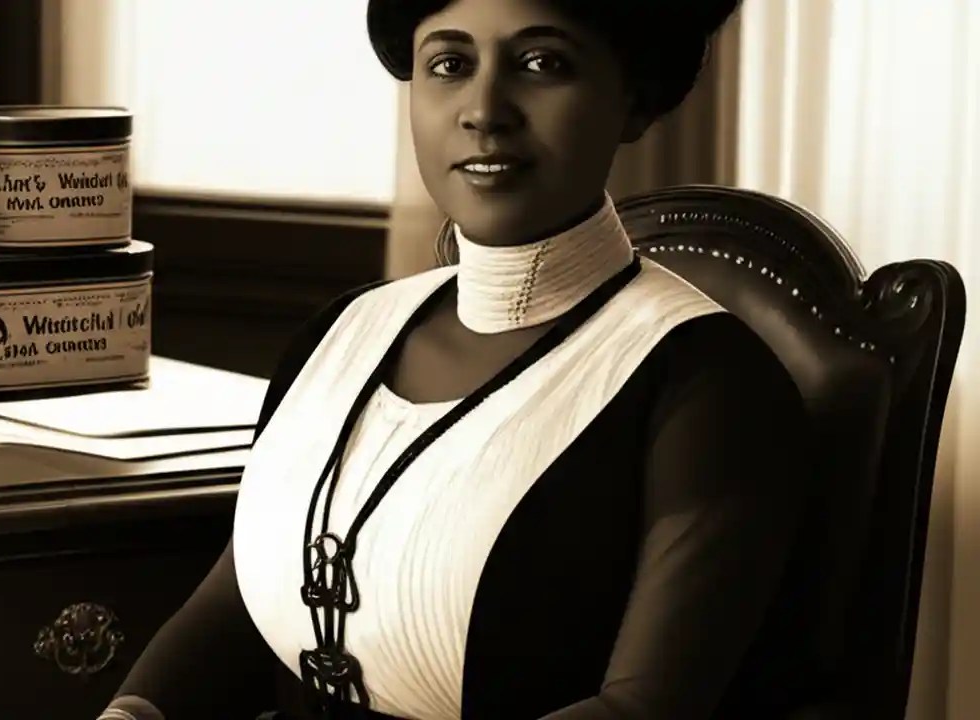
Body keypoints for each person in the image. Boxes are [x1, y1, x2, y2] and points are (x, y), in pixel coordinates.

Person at [99, 0, 822, 718]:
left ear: (632, 102)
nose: (485, 110)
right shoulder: (343, 332)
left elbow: (646, 708)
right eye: (449, 64)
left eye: (543, 64)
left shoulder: (709, 385)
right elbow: (236, 613)